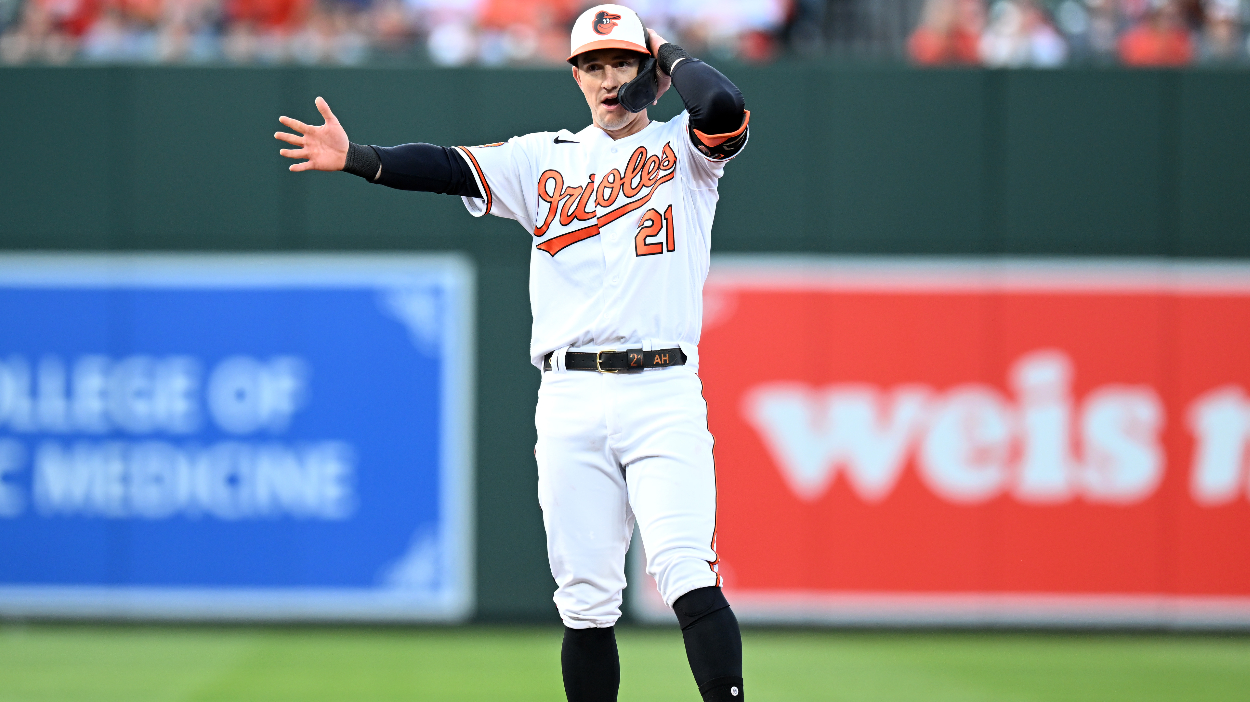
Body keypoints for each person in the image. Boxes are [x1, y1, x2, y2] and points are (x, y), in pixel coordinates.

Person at [273, 5, 749, 702]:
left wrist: (666, 53)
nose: (607, 79)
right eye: (592, 66)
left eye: (621, 63)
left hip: (662, 390)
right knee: (585, 599)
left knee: (686, 571)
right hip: (569, 397)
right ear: (575, 77)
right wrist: (360, 158)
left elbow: (723, 104)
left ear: (648, 72)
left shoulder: (685, 150)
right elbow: (446, 167)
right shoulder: (542, 157)